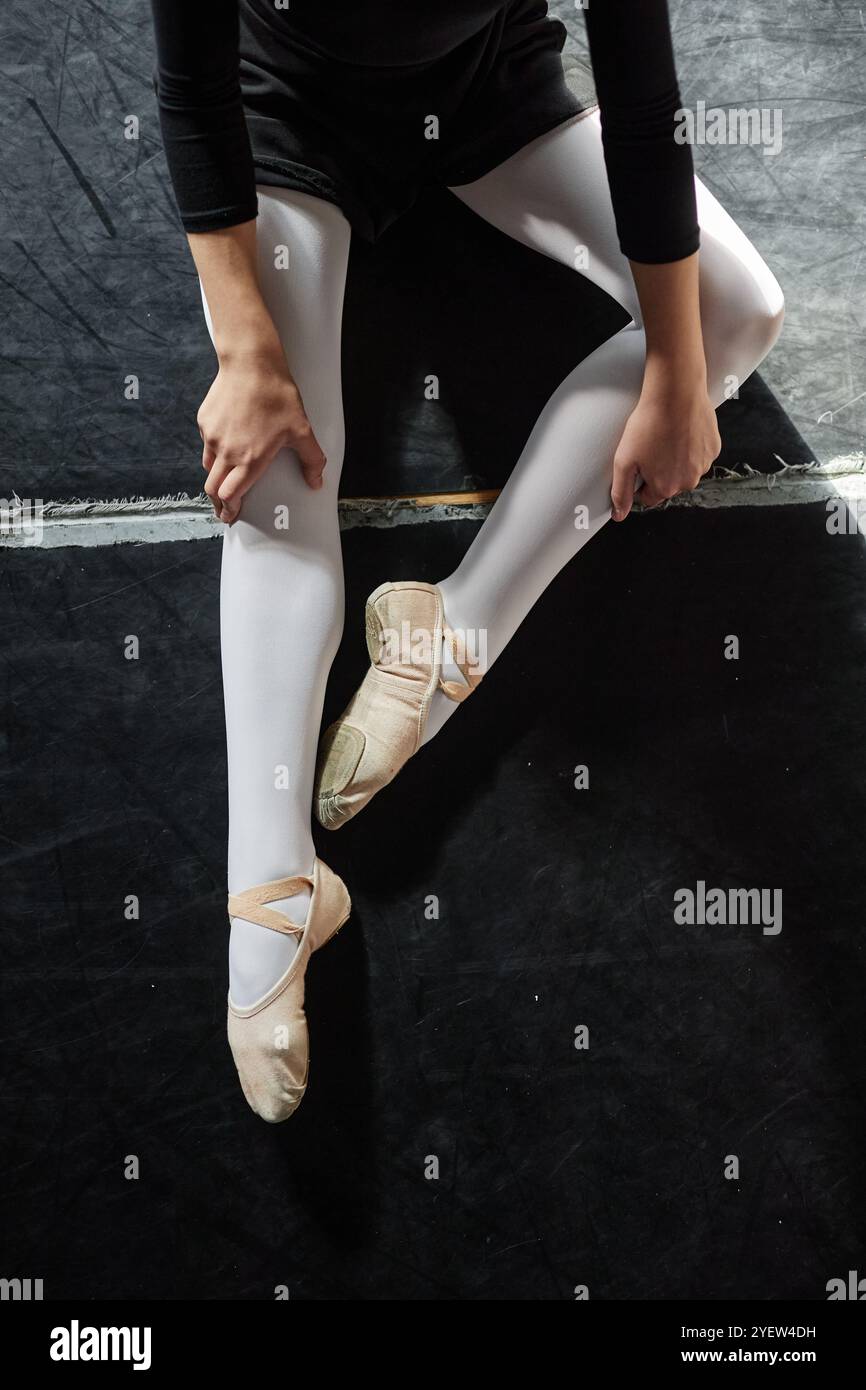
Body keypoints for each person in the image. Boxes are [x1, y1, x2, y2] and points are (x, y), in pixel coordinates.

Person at [149, 0, 785, 1122]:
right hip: (285, 105)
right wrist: (246, 350)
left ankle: (452, 629)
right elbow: (194, 89)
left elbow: (641, 95)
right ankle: (272, 894)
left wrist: (680, 367)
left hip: (481, 86)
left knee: (738, 311)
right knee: (284, 453)